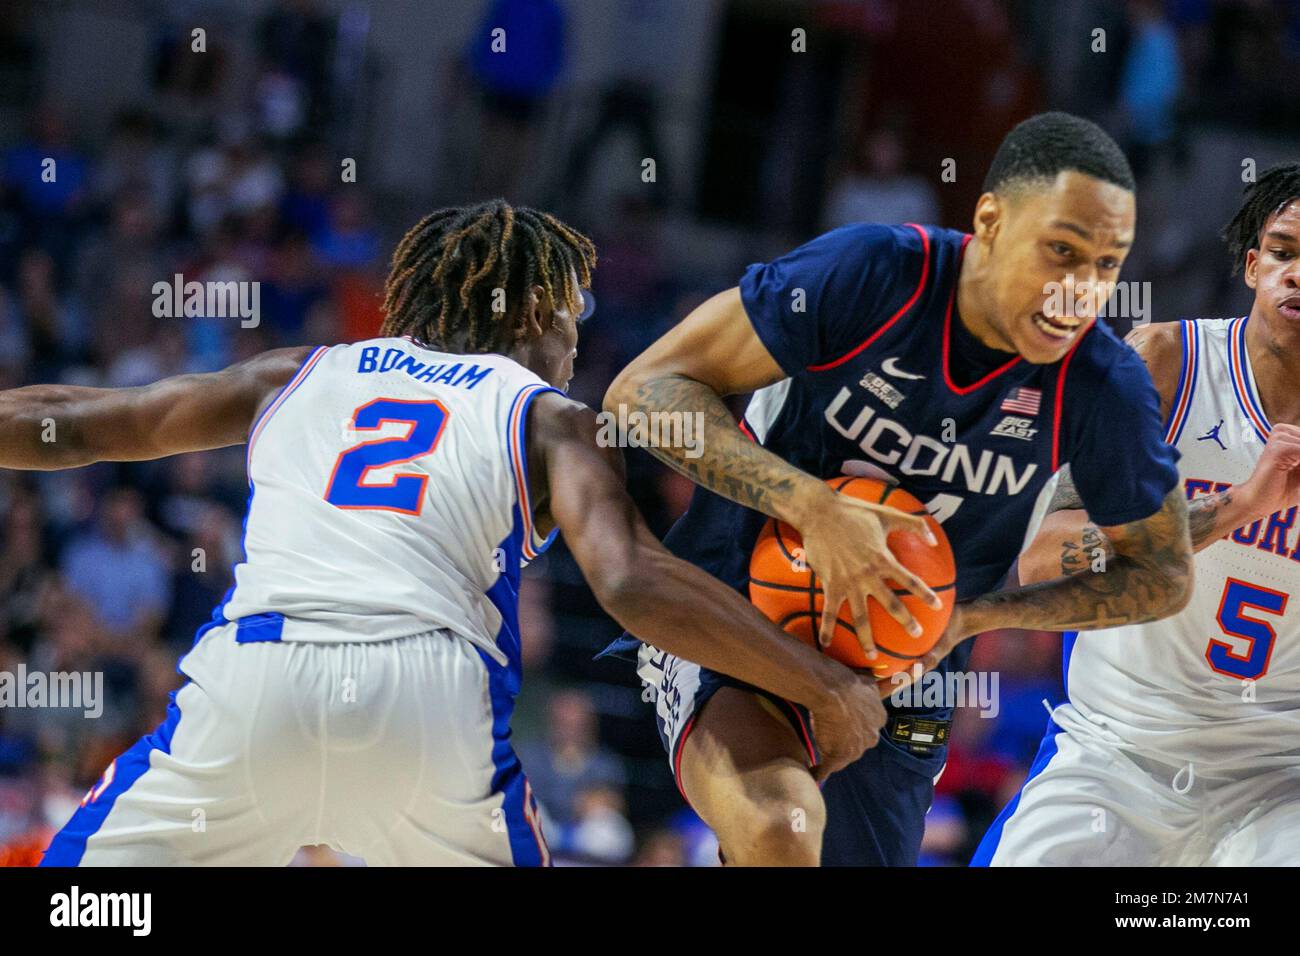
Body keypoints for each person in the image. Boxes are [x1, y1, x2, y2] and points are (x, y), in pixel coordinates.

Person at [0, 200, 882, 866]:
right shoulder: (552, 418)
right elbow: (630, 580)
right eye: (571, 314)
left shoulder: (294, 373)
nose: (576, 342)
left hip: (256, 681)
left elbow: (74, 424)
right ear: (531, 312)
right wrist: (821, 684)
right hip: (426, 704)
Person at [600, 112, 1195, 866]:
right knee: (780, 828)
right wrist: (810, 506)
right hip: (743, 612)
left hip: (908, 670)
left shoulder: (1103, 385)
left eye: (1107, 265)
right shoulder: (875, 273)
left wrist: (974, 617)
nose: (1082, 291)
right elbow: (641, 392)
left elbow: (1164, 574)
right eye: (1062, 252)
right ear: (990, 220)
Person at [975, 163, 1300, 866]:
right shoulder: (1165, 363)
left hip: (1280, 775)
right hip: (1117, 747)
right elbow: (1041, 559)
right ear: (1252, 266)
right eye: (1283, 252)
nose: (1295, 275)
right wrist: (1238, 508)